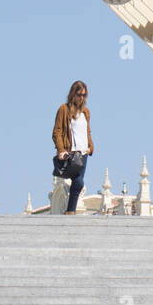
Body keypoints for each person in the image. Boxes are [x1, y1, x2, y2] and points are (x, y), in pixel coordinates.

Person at [52, 81, 95, 215]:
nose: (82, 98)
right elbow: (57, 131)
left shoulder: (86, 112)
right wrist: (61, 150)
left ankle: (70, 212)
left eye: (84, 95)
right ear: (73, 94)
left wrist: (91, 147)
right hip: (70, 153)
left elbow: (87, 132)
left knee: (78, 183)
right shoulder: (63, 110)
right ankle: (70, 211)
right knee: (79, 182)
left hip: (83, 153)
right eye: (79, 95)